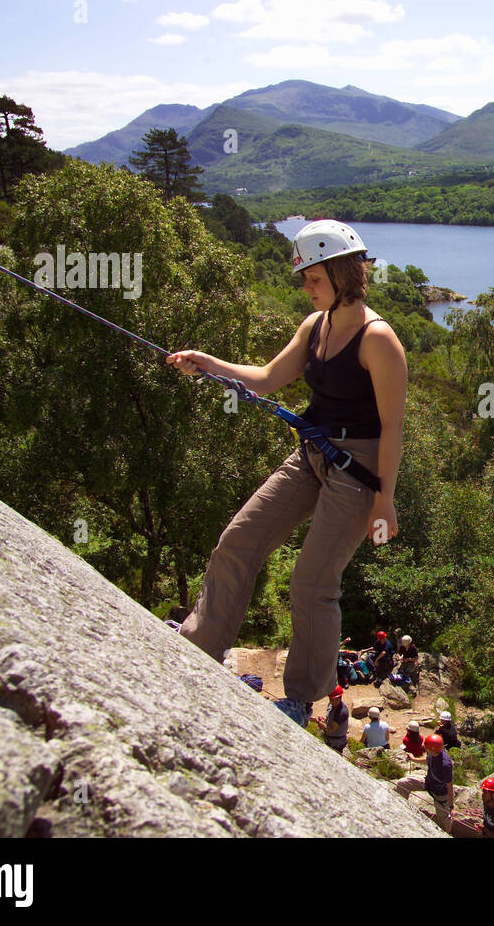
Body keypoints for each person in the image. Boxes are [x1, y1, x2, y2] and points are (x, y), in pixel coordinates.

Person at [167, 220, 409, 727]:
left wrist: (384, 501)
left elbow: (392, 427)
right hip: (313, 454)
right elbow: (269, 378)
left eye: (313, 278)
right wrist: (208, 362)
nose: (306, 287)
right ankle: (198, 644)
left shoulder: (378, 339)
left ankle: (299, 698)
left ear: (342, 274)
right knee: (239, 539)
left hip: (359, 470)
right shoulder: (314, 326)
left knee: (312, 581)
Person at [395, 734, 453, 833]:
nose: (425, 749)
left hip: (440, 793)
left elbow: (450, 786)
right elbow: (428, 760)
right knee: (402, 784)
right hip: (428, 782)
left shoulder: (445, 764)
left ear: (432, 749)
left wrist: (451, 806)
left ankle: (446, 834)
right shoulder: (434, 752)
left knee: (444, 821)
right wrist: (414, 759)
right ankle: (402, 810)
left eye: (427, 748)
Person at [315, 685, 350, 753]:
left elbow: (330, 730)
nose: (333, 702)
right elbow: (330, 719)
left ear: (340, 698)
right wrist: (324, 720)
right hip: (330, 739)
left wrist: (319, 723)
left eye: (336, 700)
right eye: (331, 699)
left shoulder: (341, 712)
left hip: (336, 743)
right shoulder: (331, 705)